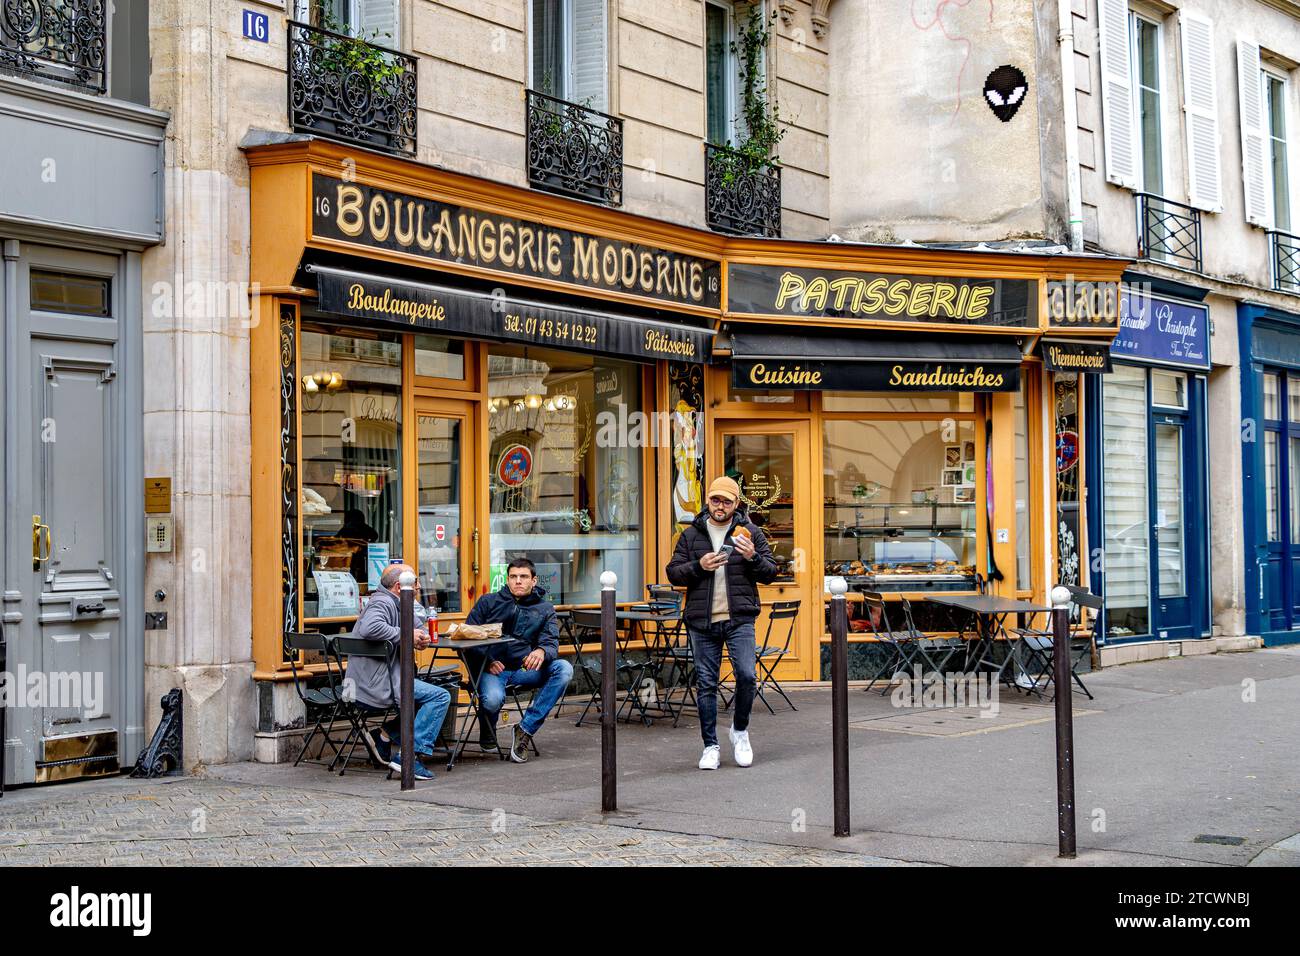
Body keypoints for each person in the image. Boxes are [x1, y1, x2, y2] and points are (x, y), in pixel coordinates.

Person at [665, 476, 778, 770]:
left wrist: (752, 557)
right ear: (708, 501)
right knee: (706, 684)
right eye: (715, 500)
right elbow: (673, 573)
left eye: (726, 501)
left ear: (736, 504)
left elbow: (771, 573)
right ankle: (710, 746)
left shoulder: (750, 533)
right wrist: (698, 566)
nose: (720, 506)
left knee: (747, 676)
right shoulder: (691, 535)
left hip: (739, 619)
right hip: (702, 621)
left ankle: (739, 731)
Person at [463, 558, 573, 763]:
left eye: (523, 577)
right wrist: (487, 661)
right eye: (513, 577)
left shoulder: (545, 608)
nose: (518, 581)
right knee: (493, 700)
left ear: (534, 580)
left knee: (564, 669)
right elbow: (467, 636)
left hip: (524, 669)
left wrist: (541, 651)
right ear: (507, 579)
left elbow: (551, 641)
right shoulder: (488, 601)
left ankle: (525, 729)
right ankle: (488, 728)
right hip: (492, 669)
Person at [350, 563, 449, 781]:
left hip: (386, 678)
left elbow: (418, 628)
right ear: (399, 586)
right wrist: (407, 635)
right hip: (376, 683)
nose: (419, 587)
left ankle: (384, 736)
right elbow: (370, 628)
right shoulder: (382, 602)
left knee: (428, 698)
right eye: (415, 583)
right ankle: (408, 756)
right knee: (441, 696)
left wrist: (419, 637)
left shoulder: (399, 603)